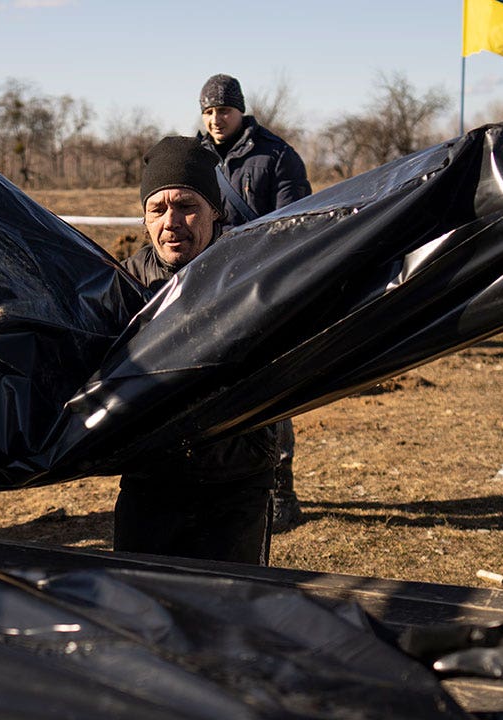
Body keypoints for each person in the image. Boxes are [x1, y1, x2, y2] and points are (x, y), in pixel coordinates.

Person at [114, 135, 280, 565]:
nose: (172, 222)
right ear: (144, 218)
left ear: (215, 210)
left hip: (236, 481)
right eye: (157, 209)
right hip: (149, 482)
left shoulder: (252, 275)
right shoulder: (122, 285)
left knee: (233, 612)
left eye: (187, 206)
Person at [197, 73, 312, 532]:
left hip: (263, 289)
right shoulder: (194, 157)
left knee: (270, 390)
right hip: (207, 289)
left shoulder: (278, 156)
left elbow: (298, 224)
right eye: (207, 112)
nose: (215, 120)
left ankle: (280, 490)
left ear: (241, 110)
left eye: (223, 110)